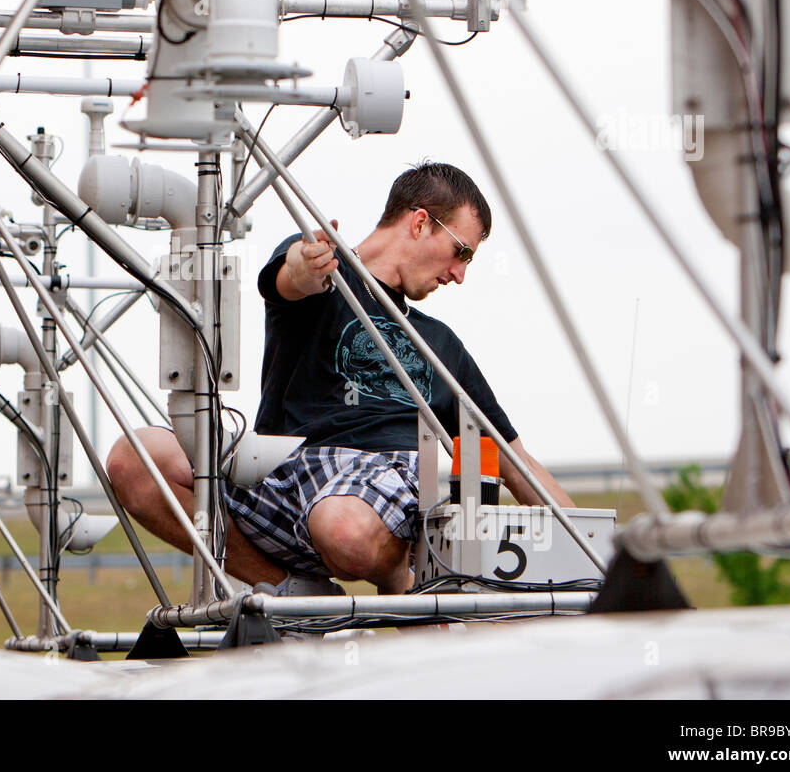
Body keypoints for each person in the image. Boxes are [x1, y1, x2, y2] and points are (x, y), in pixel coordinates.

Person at [106, 162, 574, 595]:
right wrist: (306, 265)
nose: (459, 274)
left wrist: (596, 554)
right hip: (287, 473)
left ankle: (403, 588)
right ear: (419, 222)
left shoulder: (440, 344)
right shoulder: (324, 270)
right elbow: (293, 278)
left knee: (344, 526)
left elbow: (509, 458)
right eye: (461, 251)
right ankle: (287, 588)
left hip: (382, 482)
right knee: (134, 457)